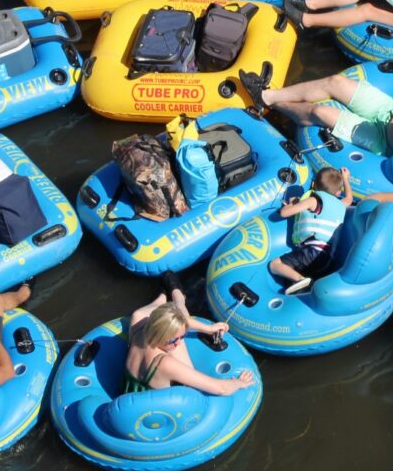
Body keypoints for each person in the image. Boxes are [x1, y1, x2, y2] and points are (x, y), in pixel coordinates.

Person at [243, 61, 393, 209]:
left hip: (380, 139)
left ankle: (274, 105)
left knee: (320, 112)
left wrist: (378, 198)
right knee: (335, 81)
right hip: (386, 109)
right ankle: (266, 96)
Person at [122, 295, 254, 396]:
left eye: (181, 337)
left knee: (144, 312)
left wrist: (209, 328)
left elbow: (182, 323)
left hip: (130, 391)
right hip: (153, 408)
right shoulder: (164, 363)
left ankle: (165, 294)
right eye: (173, 340)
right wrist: (239, 383)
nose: (178, 342)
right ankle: (173, 295)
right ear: (160, 336)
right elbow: (221, 388)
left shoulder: (139, 326)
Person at [271, 167, 353, 294]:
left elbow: (284, 213)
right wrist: (346, 179)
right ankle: (304, 284)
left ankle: (300, 280)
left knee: (275, 265)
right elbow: (349, 199)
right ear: (338, 193)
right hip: (328, 259)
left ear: (313, 185)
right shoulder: (341, 205)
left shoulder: (313, 200)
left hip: (312, 253)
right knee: (291, 277)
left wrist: (294, 203)